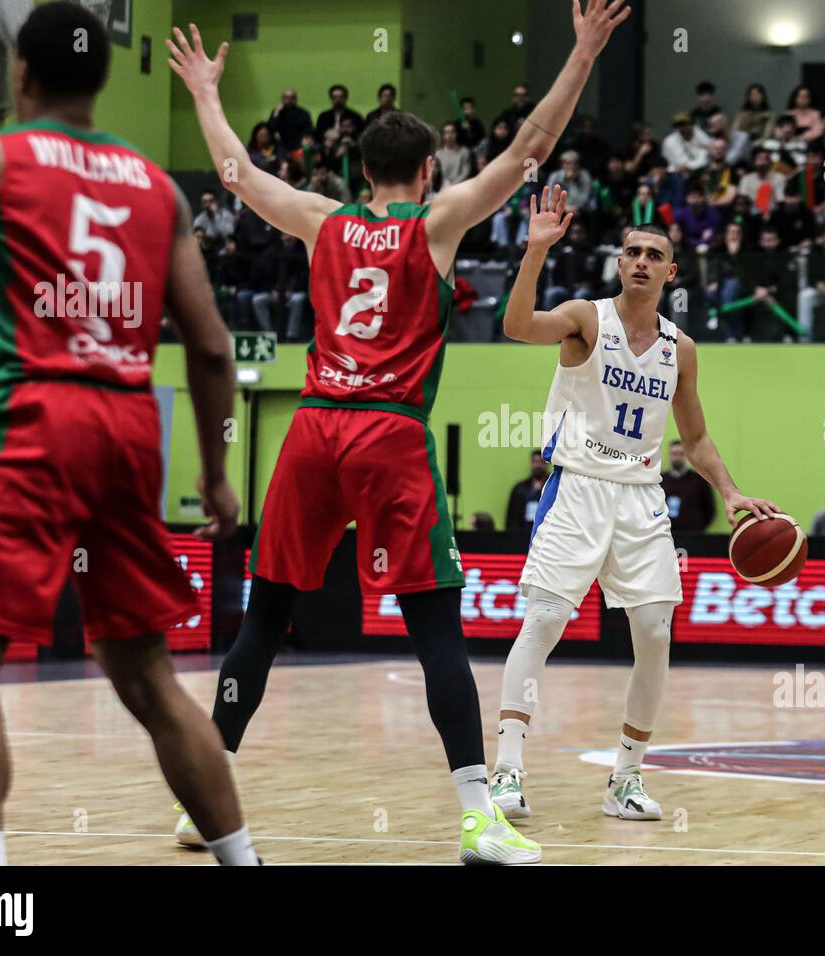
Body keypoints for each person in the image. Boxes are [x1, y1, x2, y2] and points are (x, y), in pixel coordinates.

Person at [168, 0, 631, 865]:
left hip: (309, 431)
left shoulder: (320, 218)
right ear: (425, 170)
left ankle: (205, 804)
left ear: (358, 169)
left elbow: (232, 171)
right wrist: (584, 51)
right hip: (388, 433)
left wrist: (203, 91)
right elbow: (530, 147)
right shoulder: (438, 221)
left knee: (262, 622)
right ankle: (476, 820)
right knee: (435, 633)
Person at [0, 2, 254, 866]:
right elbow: (210, 346)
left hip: (32, 418)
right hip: (131, 426)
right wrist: (216, 477)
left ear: (19, 75)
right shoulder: (157, 188)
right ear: (101, 82)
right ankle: (244, 863)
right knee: (144, 671)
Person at [491, 185, 778, 821]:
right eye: (631, 252)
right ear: (619, 264)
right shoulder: (586, 319)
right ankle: (506, 771)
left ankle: (626, 778)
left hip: (642, 496)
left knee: (653, 631)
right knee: (543, 623)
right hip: (578, 488)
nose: (641, 261)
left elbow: (695, 437)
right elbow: (515, 327)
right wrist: (536, 251)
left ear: (672, 271)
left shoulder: (681, 348)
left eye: (653, 253)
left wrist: (730, 493)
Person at [661, 440, 715, 531]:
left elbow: (709, 508)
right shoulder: (661, 480)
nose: (677, 457)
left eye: (681, 454)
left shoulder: (699, 480)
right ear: (669, 455)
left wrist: (699, 527)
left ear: (686, 456)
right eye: (674, 454)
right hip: (666, 532)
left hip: (693, 534)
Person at [505, 451, 550, 533]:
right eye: (535, 462)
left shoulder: (553, 488)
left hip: (546, 533)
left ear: (547, 464)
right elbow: (512, 518)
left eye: (541, 462)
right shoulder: (520, 488)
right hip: (522, 534)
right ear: (531, 464)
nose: (538, 465)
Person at [268, 87, 312, 151]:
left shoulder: (303, 113)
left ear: (296, 99)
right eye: (287, 97)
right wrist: (276, 114)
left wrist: (305, 140)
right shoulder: (277, 112)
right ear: (282, 99)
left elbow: (308, 131)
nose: (289, 100)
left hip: (299, 144)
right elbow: (270, 129)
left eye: (292, 98)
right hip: (281, 144)